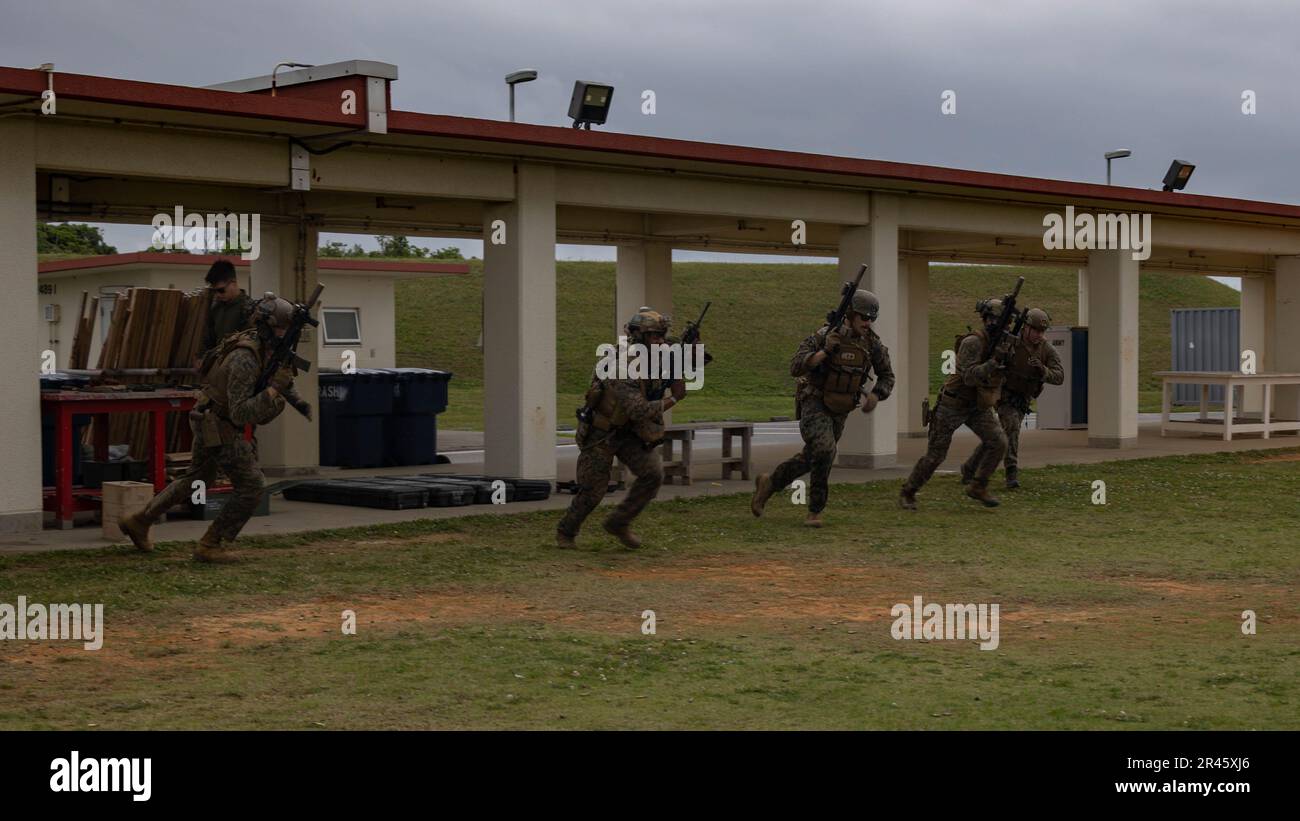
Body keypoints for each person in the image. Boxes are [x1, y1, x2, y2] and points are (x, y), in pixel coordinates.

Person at [118, 293, 312, 563]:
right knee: (252, 485)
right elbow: (241, 412)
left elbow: (281, 377)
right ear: (267, 327)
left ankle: (139, 520)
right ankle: (211, 545)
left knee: (196, 479)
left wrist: (300, 403)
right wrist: (272, 392)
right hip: (217, 423)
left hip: (208, 416)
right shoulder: (245, 358)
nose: (286, 333)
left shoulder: (266, 349)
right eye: (282, 327)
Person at [750, 290, 894, 526]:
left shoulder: (872, 345)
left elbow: (887, 376)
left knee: (813, 458)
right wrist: (824, 352)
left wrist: (877, 395)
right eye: (863, 318)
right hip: (813, 402)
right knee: (826, 450)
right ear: (850, 315)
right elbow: (795, 367)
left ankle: (770, 484)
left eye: (871, 319)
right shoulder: (823, 336)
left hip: (841, 409)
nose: (868, 323)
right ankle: (815, 511)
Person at [557, 308, 684, 550]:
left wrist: (679, 367)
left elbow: (664, 380)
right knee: (593, 491)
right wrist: (675, 399)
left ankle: (619, 522)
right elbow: (639, 409)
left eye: (662, 336)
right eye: (655, 336)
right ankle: (566, 531)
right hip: (601, 433)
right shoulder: (620, 363)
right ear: (639, 337)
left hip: (630, 432)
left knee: (652, 474)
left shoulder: (656, 358)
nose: (660, 341)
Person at [899, 298, 1009, 510]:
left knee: (999, 441)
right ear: (986, 320)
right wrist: (993, 363)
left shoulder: (1003, 344)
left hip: (977, 405)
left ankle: (978, 486)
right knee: (936, 456)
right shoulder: (972, 343)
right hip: (952, 404)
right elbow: (968, 377)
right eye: (996, 320)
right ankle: (909, 491)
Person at [961, 307, 1063, 488]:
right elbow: (992, 358)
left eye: (1042, 331)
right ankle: (1011, 472)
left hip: (1023, 399)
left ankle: (970, 467)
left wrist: (1043, 371)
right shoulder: (1011, 342)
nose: (1039, 335)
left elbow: (1059, 376)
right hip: (1004, 395)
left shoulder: (1047, 350)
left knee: (1000, 435)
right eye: (1036, 330)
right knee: (1012, 427)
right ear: (1026, 327)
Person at [198, 258, 254, 365]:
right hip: (217, 368)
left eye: (221, 290)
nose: (218, 295)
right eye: (214, 291)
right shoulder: (215, 308)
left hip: (239, 368)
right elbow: (208, 339)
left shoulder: (248, 308)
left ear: (233, 283)